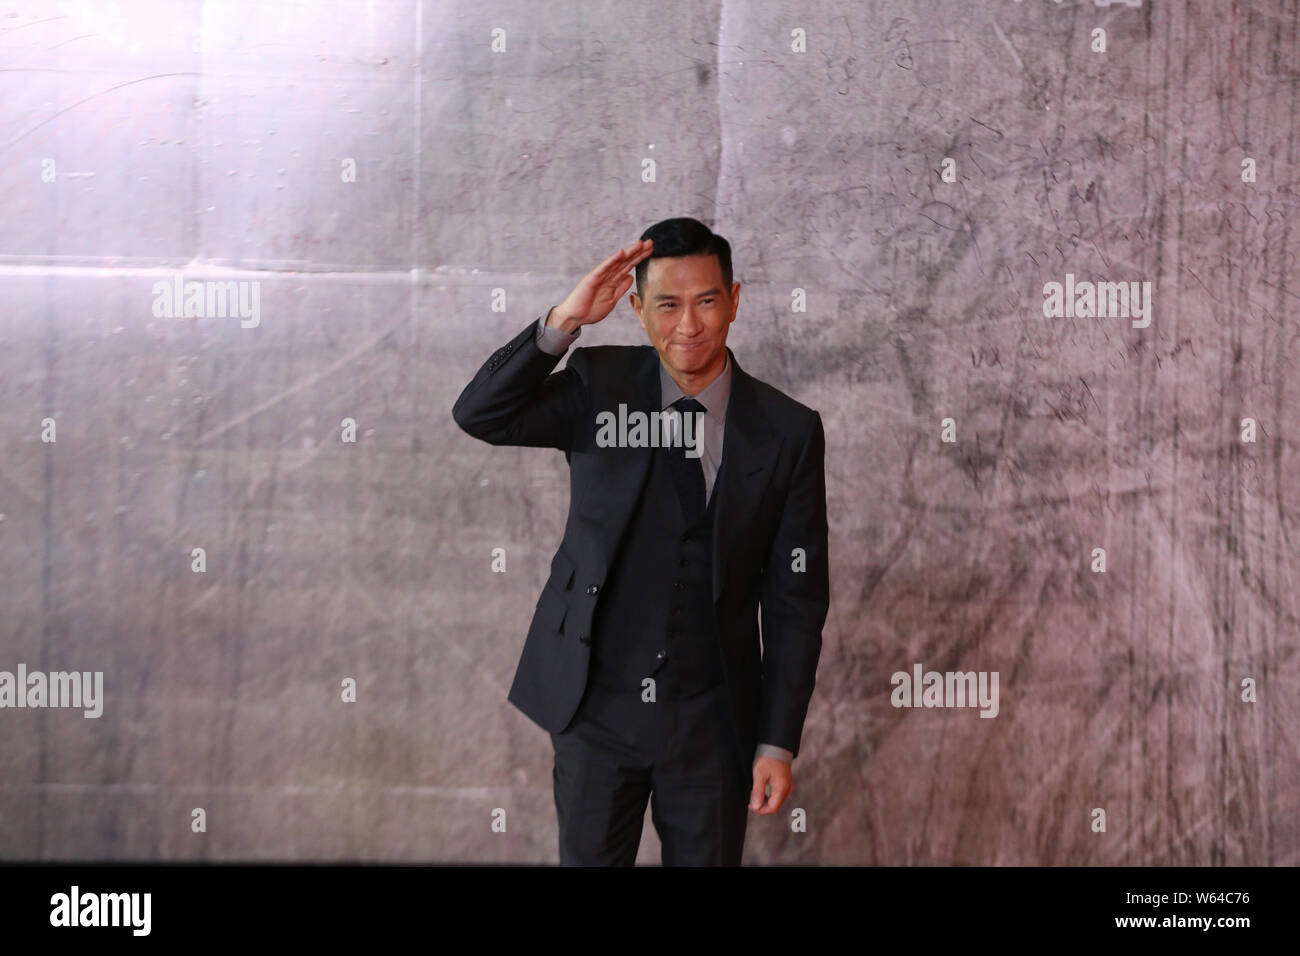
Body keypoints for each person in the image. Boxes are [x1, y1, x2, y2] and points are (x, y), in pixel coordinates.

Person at [452, 217, 828, 865]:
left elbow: (796, 600)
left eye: (707, 301)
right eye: (668, 304)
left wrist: (777, 741)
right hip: (596, 708)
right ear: (636, 310)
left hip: (714, 722)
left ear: (735, 300)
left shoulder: (788, 431)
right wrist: (563, 323)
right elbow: (481, 413)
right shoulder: (599, 386)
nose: (689, 325)